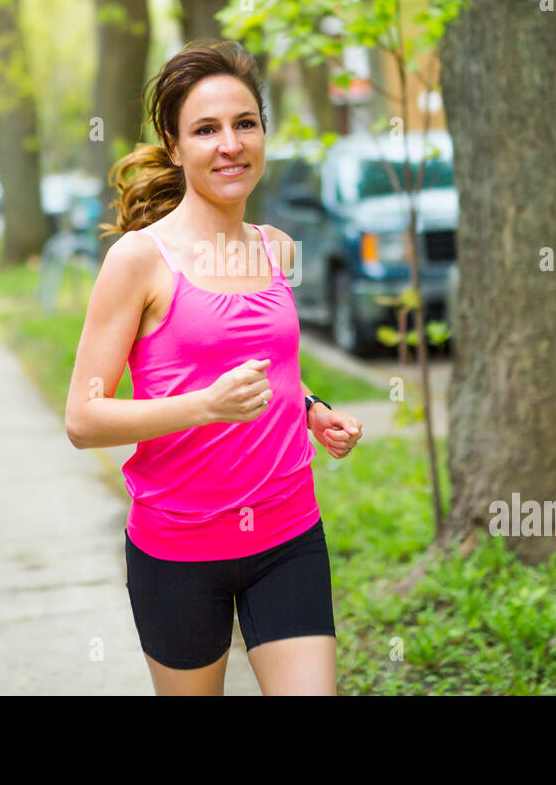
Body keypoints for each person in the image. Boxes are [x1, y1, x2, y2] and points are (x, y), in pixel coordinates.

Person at [65, 38, 364, 695]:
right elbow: (84, 418)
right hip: (178, 552)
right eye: (206, 129)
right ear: (175, 146)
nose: (230, 144)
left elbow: (265, 368)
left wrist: (312, 410)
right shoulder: (139, 261)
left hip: (289, 534)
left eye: (244, 123)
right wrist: (203, 407)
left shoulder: (278, 249)